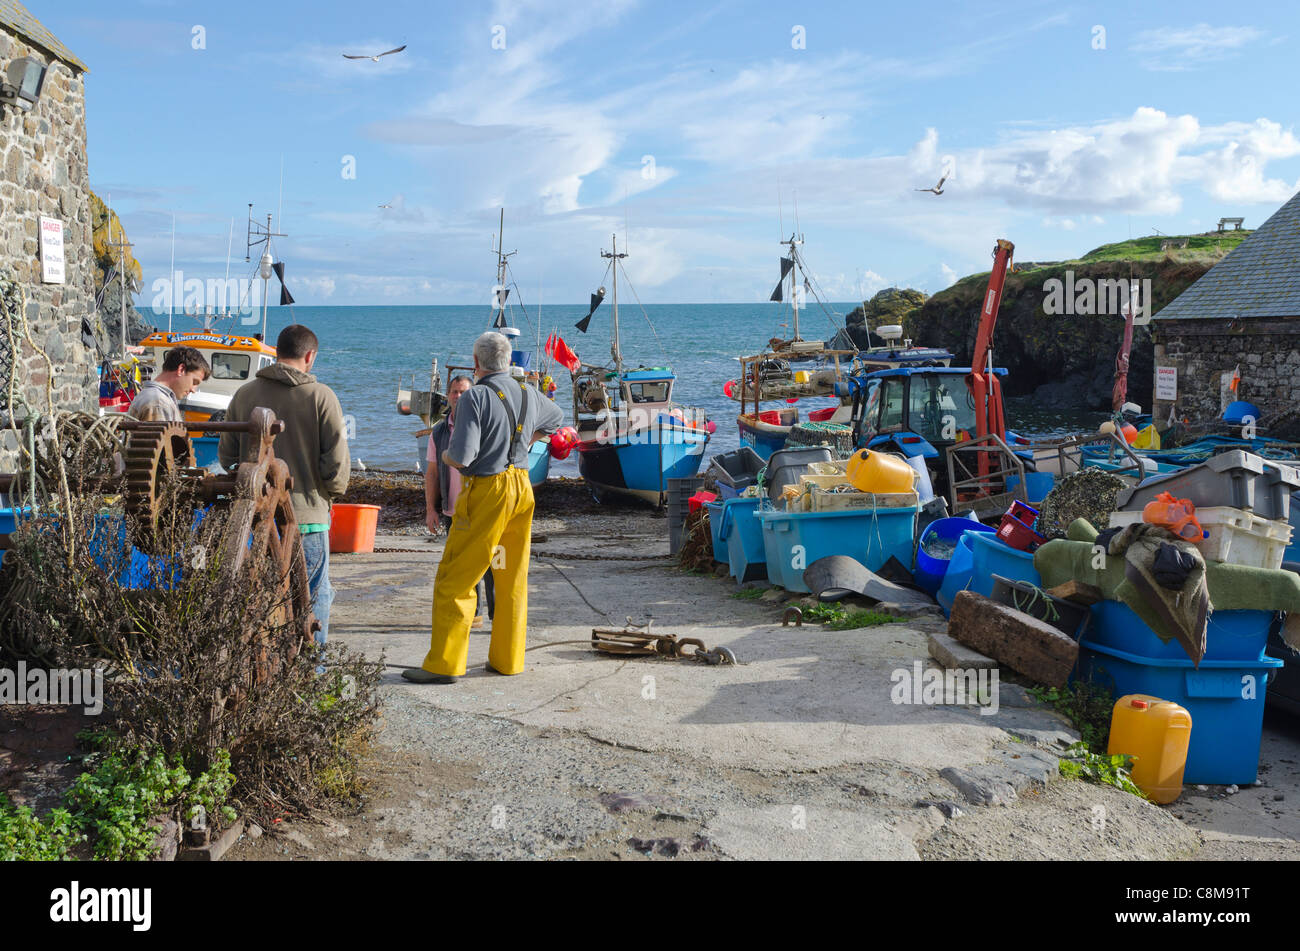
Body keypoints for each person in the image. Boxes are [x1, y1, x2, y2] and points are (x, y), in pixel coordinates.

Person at [404, 331, 563, 684]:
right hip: (521, 487)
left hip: (487, 489)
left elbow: (462, 458)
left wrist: (444, 454)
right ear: (508, 361)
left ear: (476, 363)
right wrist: (524, 440)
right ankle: (508, 659)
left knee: (456, 576)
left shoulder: (474, 397)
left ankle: (443, 664)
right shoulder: (528, 393)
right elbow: (557, 418)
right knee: (510, 577)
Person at [217, 324, 350, 650]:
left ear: (276, 352)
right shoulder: (322, 397)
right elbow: (336, 468)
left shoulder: (245, 394)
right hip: (307, 517)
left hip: (256, 519)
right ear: (310, 356)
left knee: (264, 595)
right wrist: (327, 494)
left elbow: (227, 458)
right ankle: (313, 675)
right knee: (314, 595)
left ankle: (270, 671)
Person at [425, 374, 494, 629]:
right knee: (462, 564)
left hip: (480, 505)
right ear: (448, 395)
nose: (458, 396)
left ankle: (497, 617)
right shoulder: (439, 431)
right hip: (453, 509)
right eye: (454, 392)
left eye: (464, 392)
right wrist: (430, 509)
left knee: (491, 564)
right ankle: (473, 613)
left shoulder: (483, 425)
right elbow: (431, 472)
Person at [126, 346, 211, 422]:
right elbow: (161, 439)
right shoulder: (159, 402)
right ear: (181, 369)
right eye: (194, 382)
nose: (193, 390)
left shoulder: (151, 395)